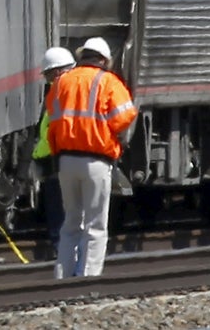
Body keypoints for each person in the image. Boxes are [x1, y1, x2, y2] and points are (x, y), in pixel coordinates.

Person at [45, 37, 138, 278]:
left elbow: (52, 117)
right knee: (95, 226)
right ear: (104, 60)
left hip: (65, 161)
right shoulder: (108, 81)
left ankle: (62, 275)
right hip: (96, 161)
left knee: (71, 224)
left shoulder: (61, 82)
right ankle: (87, 279)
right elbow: (125, 116)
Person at [31, 47, 76, 254]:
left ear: (57, 72)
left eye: (48, 75)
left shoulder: (61, 91)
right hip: (59, 156)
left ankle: (63, 250)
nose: (46, 80)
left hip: (59, 158)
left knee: (59, 208)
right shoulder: (67, 89)